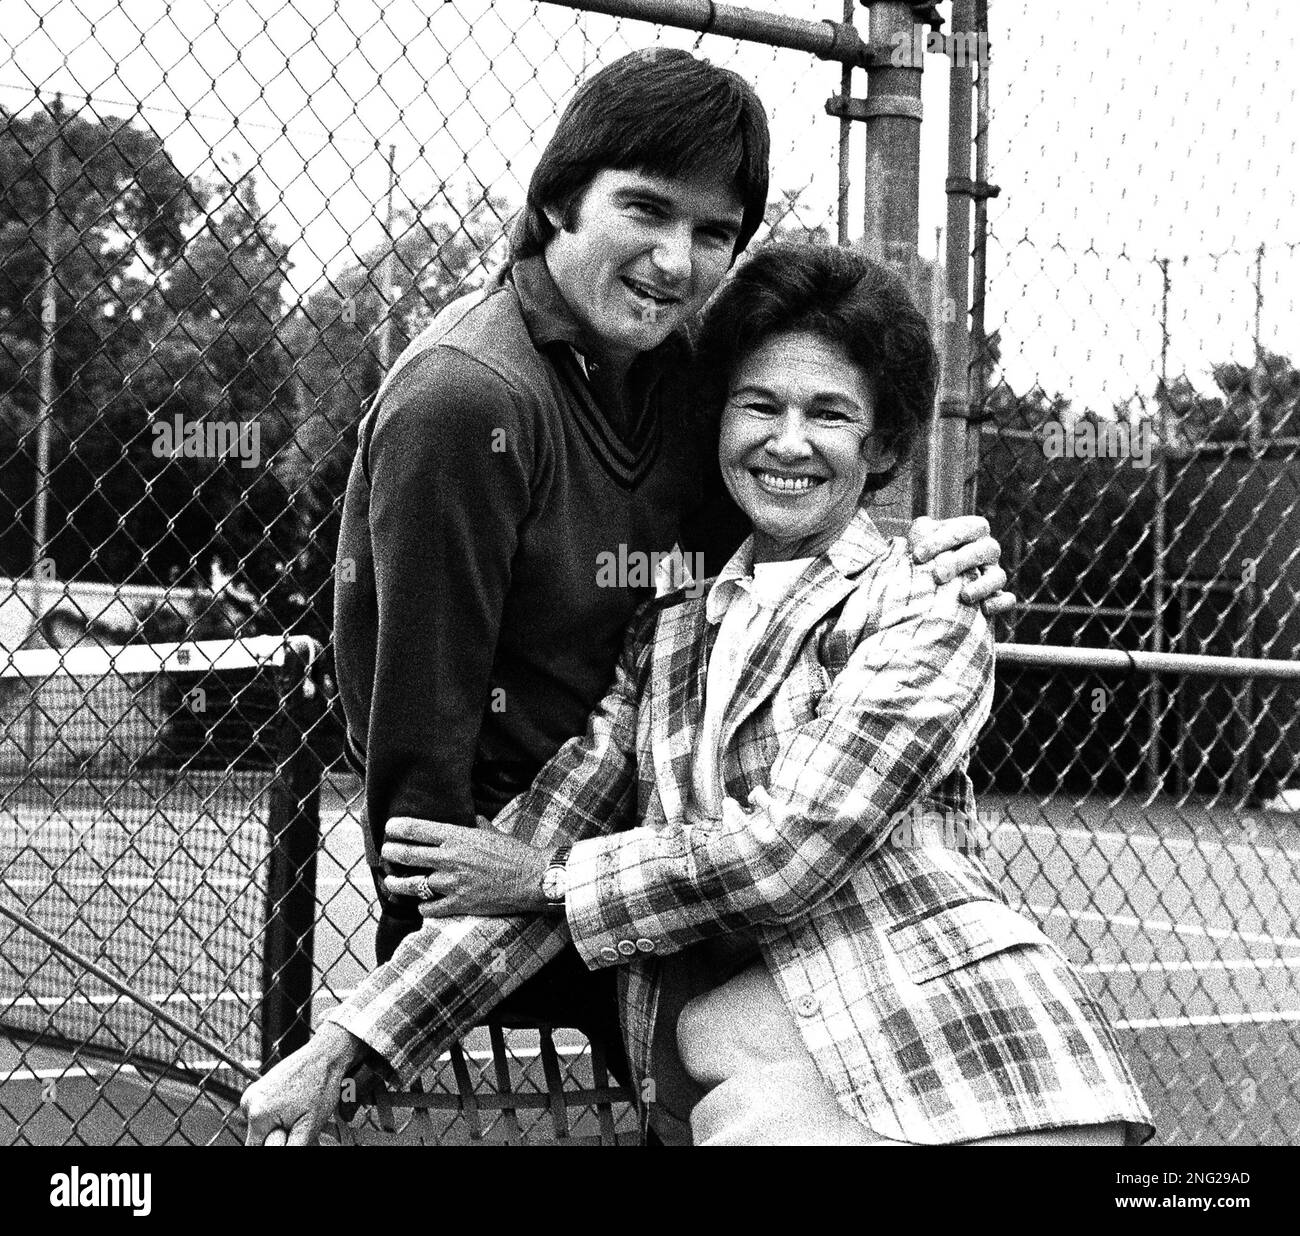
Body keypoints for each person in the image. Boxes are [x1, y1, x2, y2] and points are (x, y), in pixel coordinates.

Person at [242, 242, 1153, 1147]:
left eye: (828, 414)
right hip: (755, 1083)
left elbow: (790, 853)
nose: (788, 441)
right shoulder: (668, 635)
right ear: (717, 420)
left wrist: (553, 882)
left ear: (879, 446)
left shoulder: (924, 601)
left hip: (957, 1074)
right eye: (759, 404)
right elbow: (528, 853)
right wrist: (342, 1045)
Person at [326, 46, 1009, 1094]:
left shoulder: (689, 372)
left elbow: (800, 494)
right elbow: (422, 741)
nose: (675, 261)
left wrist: (920, 550)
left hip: (687, 876)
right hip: (530, 910)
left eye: (713, 233)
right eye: (645, 210)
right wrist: (436, 967)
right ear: (558, 199)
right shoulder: (466, 400)